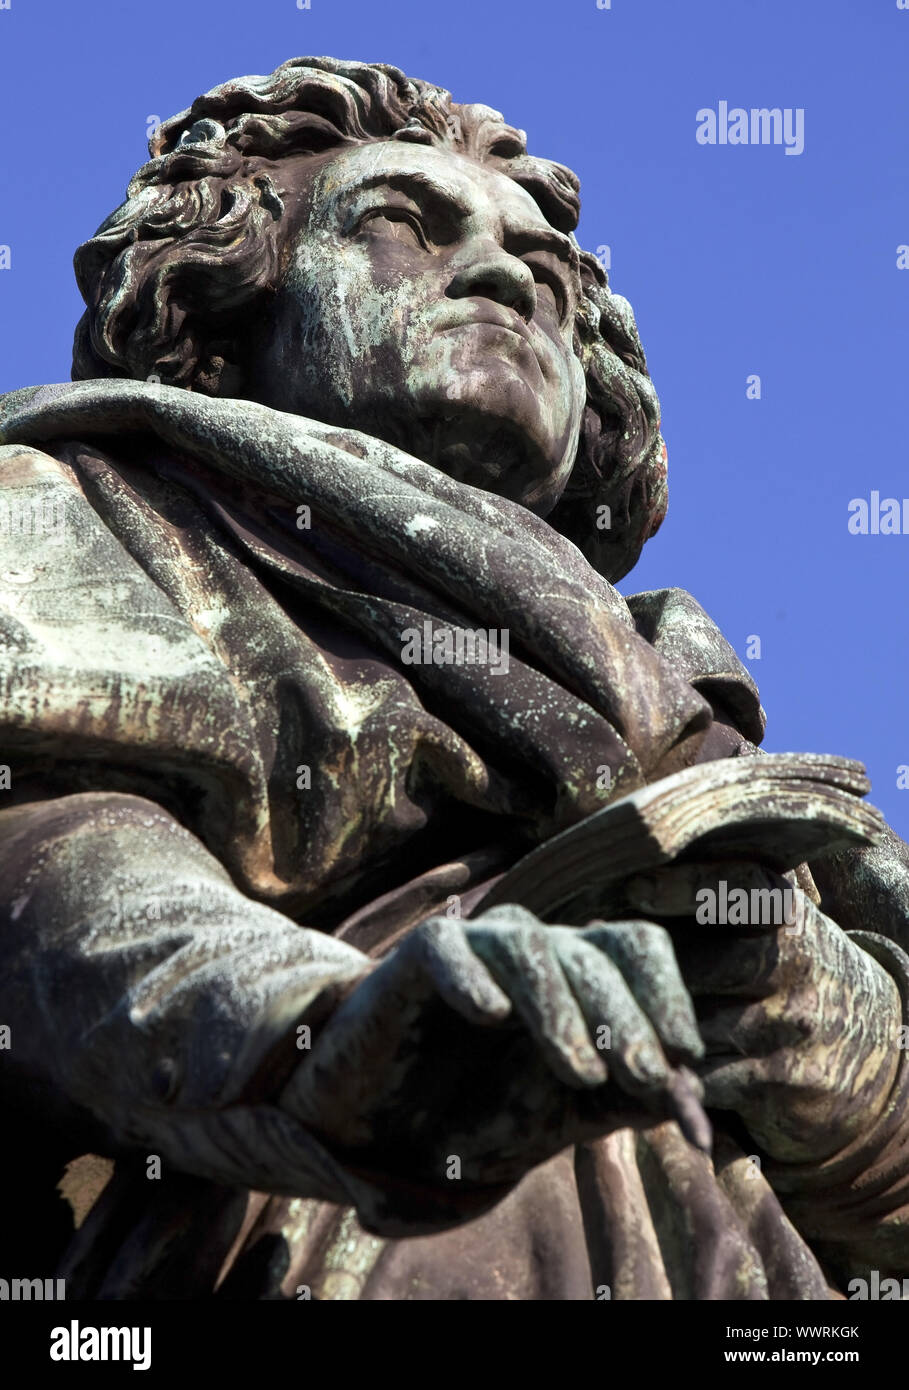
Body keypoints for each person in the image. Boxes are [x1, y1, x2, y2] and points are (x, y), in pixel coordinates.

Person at [1, 56, 908, 1300]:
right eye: (401, 227)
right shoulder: (86, 514)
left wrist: (773, 971)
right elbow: (59, 881)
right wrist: (327, 1033)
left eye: (541, 275)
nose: (496, 277)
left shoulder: (681, 693)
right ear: (224, 312)